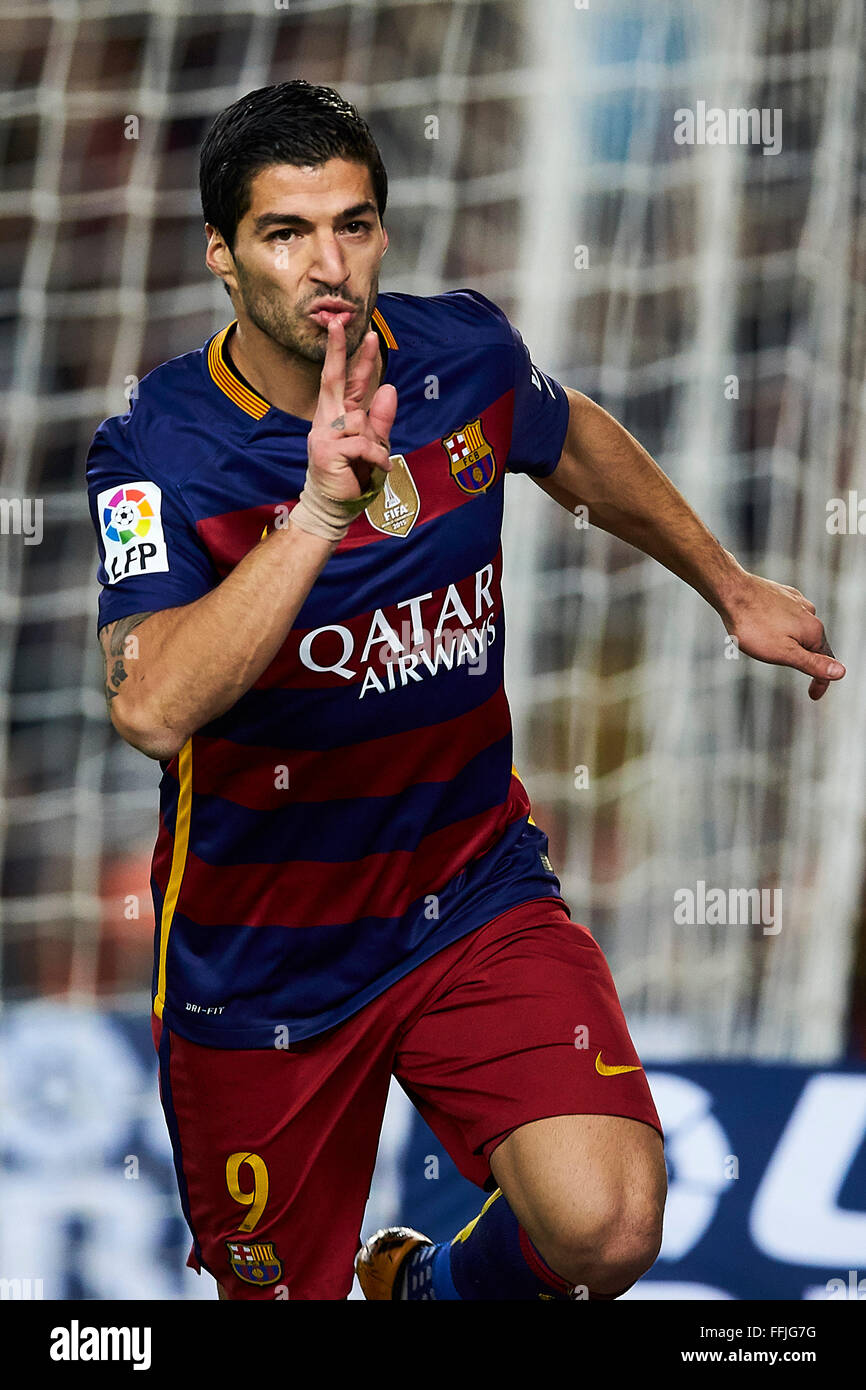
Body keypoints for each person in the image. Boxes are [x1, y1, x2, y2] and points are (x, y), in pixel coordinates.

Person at [86, 80, 844, 1301]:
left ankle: (424, 1290)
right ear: (221, 253)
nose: (328, 265)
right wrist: (317, 513)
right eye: (285, 233)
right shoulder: (153, 448)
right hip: (263, 960)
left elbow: (564, 433)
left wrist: (726, 583)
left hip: (469, 886)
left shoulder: (461, 356)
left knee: (606, 1230)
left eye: (352, 224)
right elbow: (149, 706)